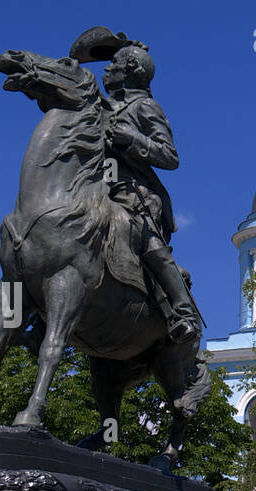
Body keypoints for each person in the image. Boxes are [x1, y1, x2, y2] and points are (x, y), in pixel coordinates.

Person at [101, 42, 203, 344]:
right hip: (100, 188)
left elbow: (170, 156)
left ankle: (184, 314)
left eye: (114, 63)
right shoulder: (102, 107)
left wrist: (131, 137)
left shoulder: (144, 107)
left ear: (131, 69)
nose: (107, 69)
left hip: (135, 194)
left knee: (151, 247)